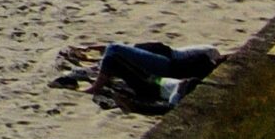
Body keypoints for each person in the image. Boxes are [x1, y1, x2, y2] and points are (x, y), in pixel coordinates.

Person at [85, 42, 223, 112]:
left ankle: (96, 85)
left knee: (114, 49)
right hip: (163, 67)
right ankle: (100, 75)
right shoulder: (208, 58)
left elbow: (169, 106)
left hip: (166, 67)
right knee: (115, 54)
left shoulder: (209, 58)